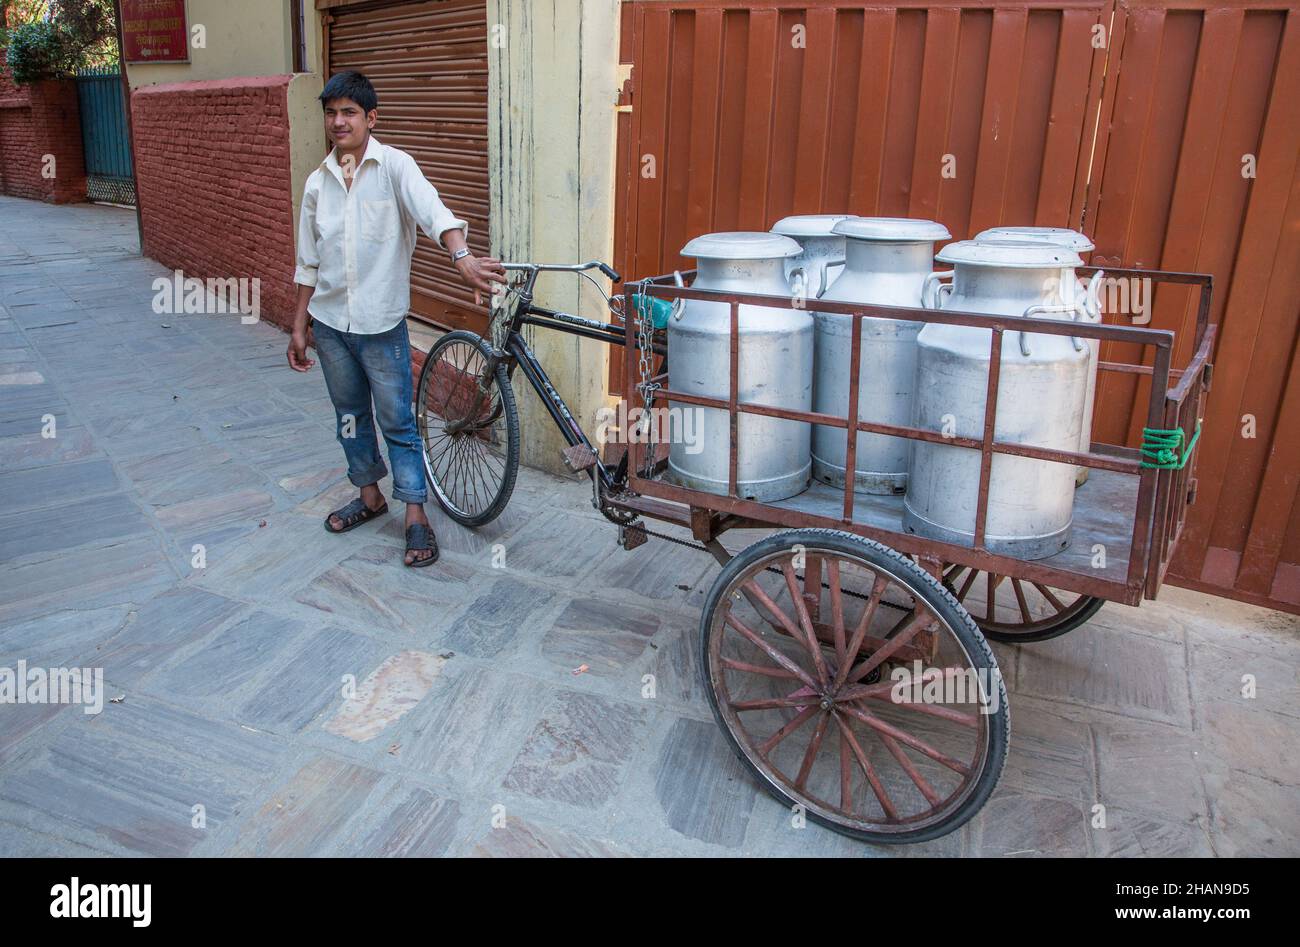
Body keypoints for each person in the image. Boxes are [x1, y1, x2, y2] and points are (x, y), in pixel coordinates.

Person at [287, 71, 506, 567]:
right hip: (330, 325)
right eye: (331, 112)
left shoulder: (396, 168)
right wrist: (300, 324)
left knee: (399, 421)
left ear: (371, 118)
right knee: (349, 418)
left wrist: (463, 258)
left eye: (349, 112)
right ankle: (369, 496)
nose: (338, 121)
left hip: (381, 325)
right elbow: (308, 261)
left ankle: (414, 513)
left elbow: (435, 214)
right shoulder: (317, 183)